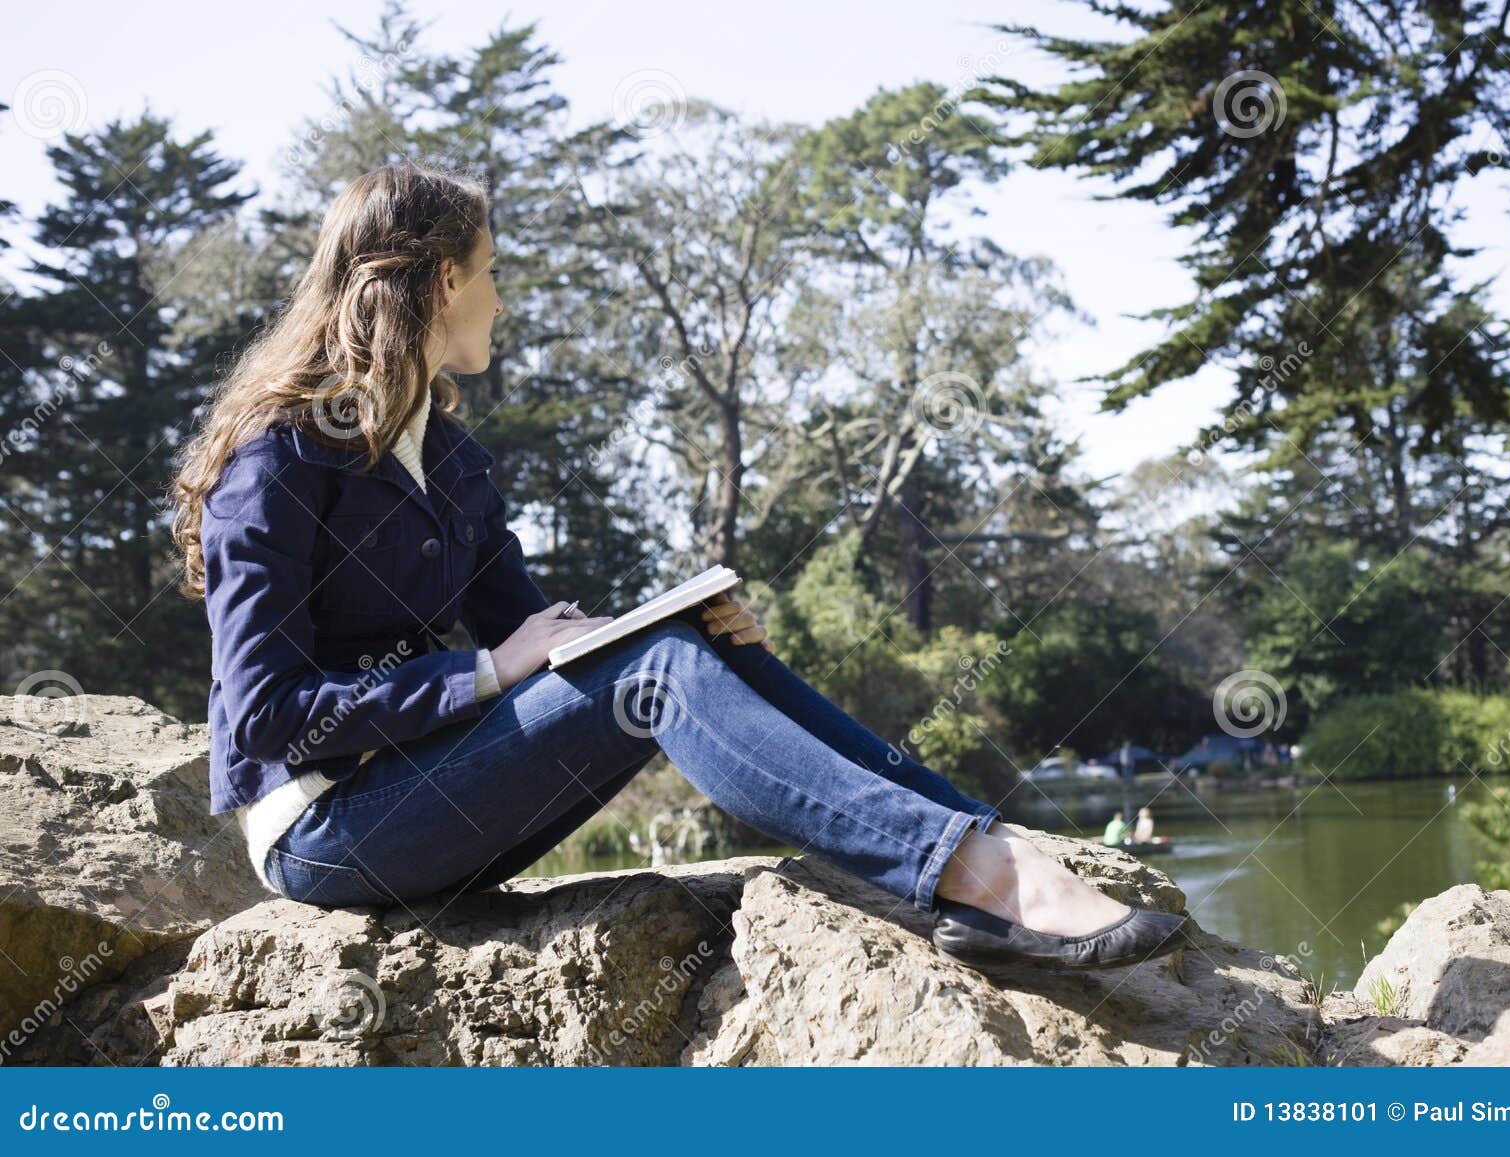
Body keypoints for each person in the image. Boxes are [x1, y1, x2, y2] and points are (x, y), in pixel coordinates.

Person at [169, 163, 1187, 974]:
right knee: (656, 671)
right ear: (446, 282)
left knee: (684, 646)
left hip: (432, 790)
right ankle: (984, 873)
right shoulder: (280, 454)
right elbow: (261, 717)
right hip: (330, 830)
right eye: (491, 270)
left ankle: (980, 848)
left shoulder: (452, 458)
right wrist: (485, 673)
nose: (500, 295)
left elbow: (553, 644)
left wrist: (686, 626)